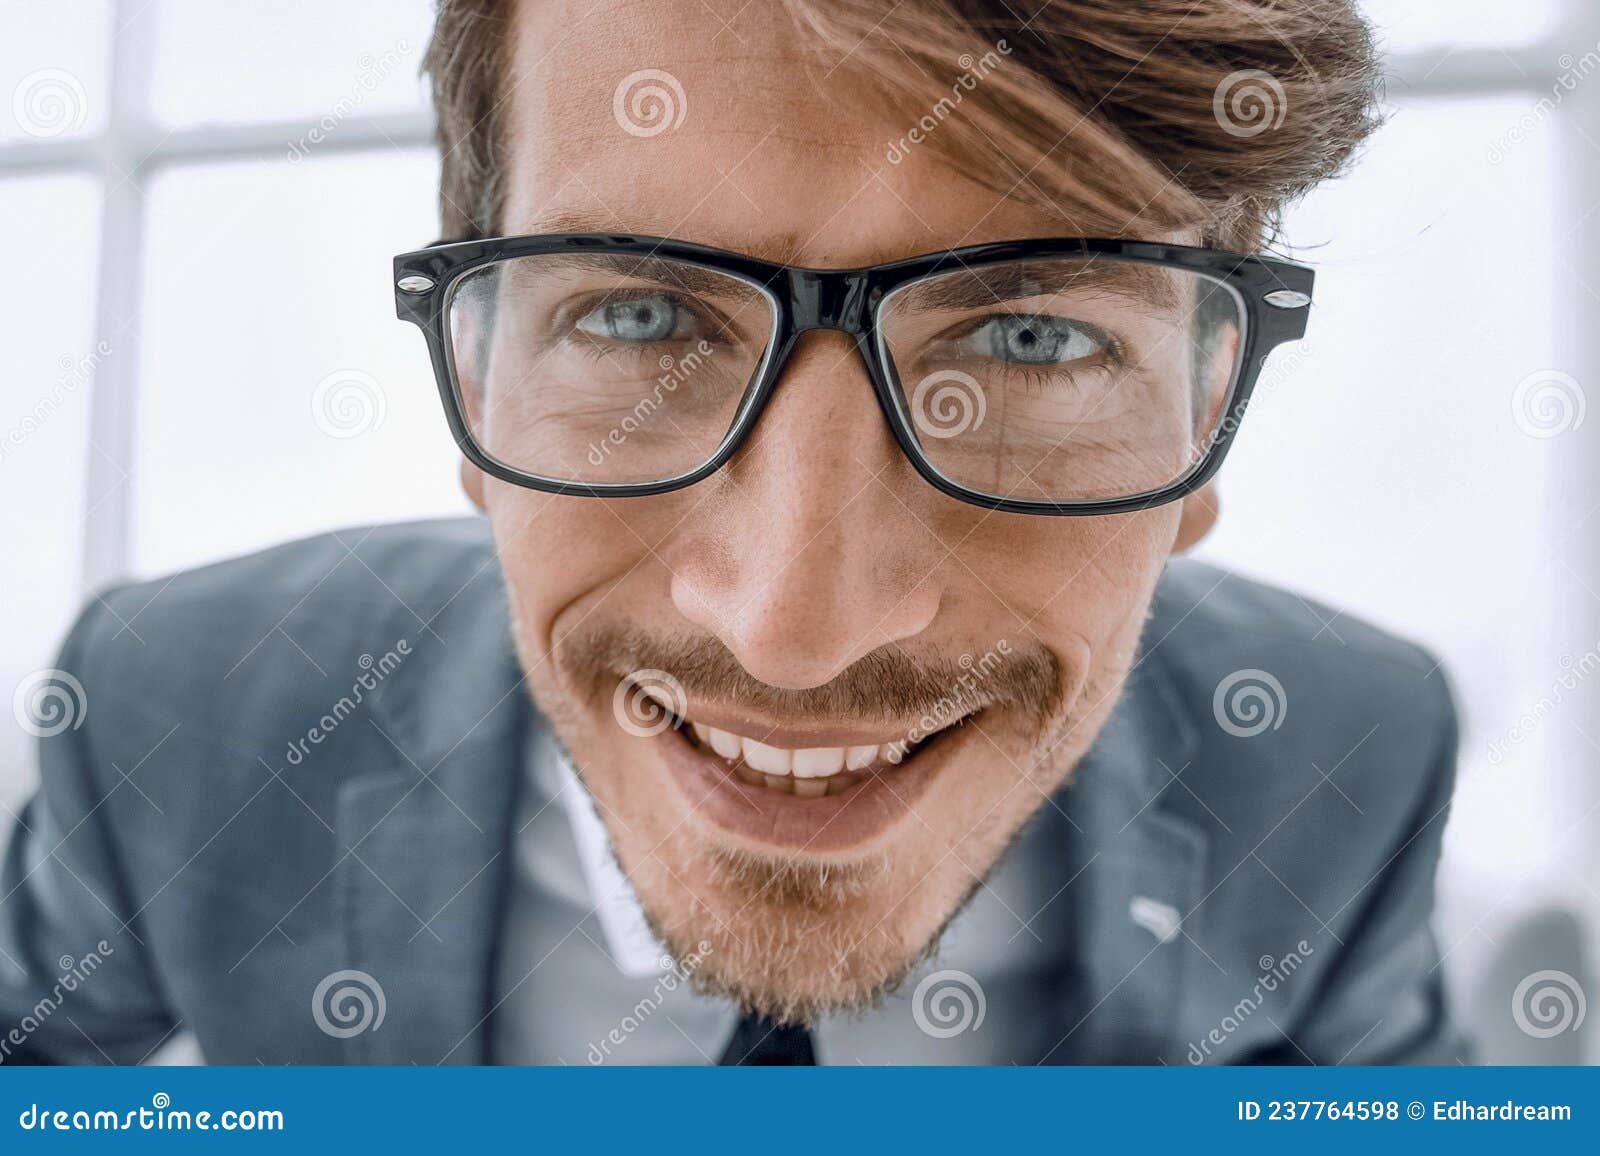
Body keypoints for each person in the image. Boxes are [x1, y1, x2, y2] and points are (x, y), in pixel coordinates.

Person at [0, 0, 1464, 1065]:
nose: (791, 628)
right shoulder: (167, 719)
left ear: (1210, 407)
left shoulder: (1350, 757)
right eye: (636, 318)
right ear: (471, 381)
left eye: (1028, 338)